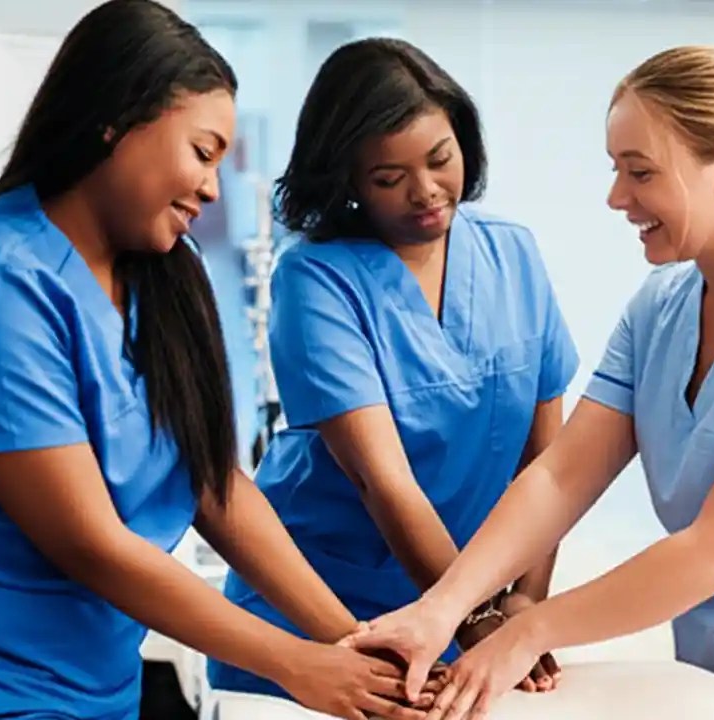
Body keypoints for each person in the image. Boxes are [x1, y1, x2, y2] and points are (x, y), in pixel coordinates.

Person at [344, 44, 714, 720]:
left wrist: (529, 630)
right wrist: (441, 609)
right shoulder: (661, 308)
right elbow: (561, 477)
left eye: (640, 172)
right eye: (616, 170)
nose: (616, 197)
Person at [0, 3, 434, 719]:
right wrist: (298, 665)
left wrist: (350, 643)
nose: (212, 188)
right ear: (118, 120)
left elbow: (215, 485)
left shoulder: (168, 272)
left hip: (97, 680)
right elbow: (89, 542)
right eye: (202, 153)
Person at [206, 37, 578, 699]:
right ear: (347, 179)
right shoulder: (316, 278)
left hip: (461, 621)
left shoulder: (515, 256)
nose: (426, 191)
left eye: (441, 159)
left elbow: (546, 465)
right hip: (324, 614)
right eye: (388, 178)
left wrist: (525, 607)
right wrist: (475, 618)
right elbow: (387, 484)